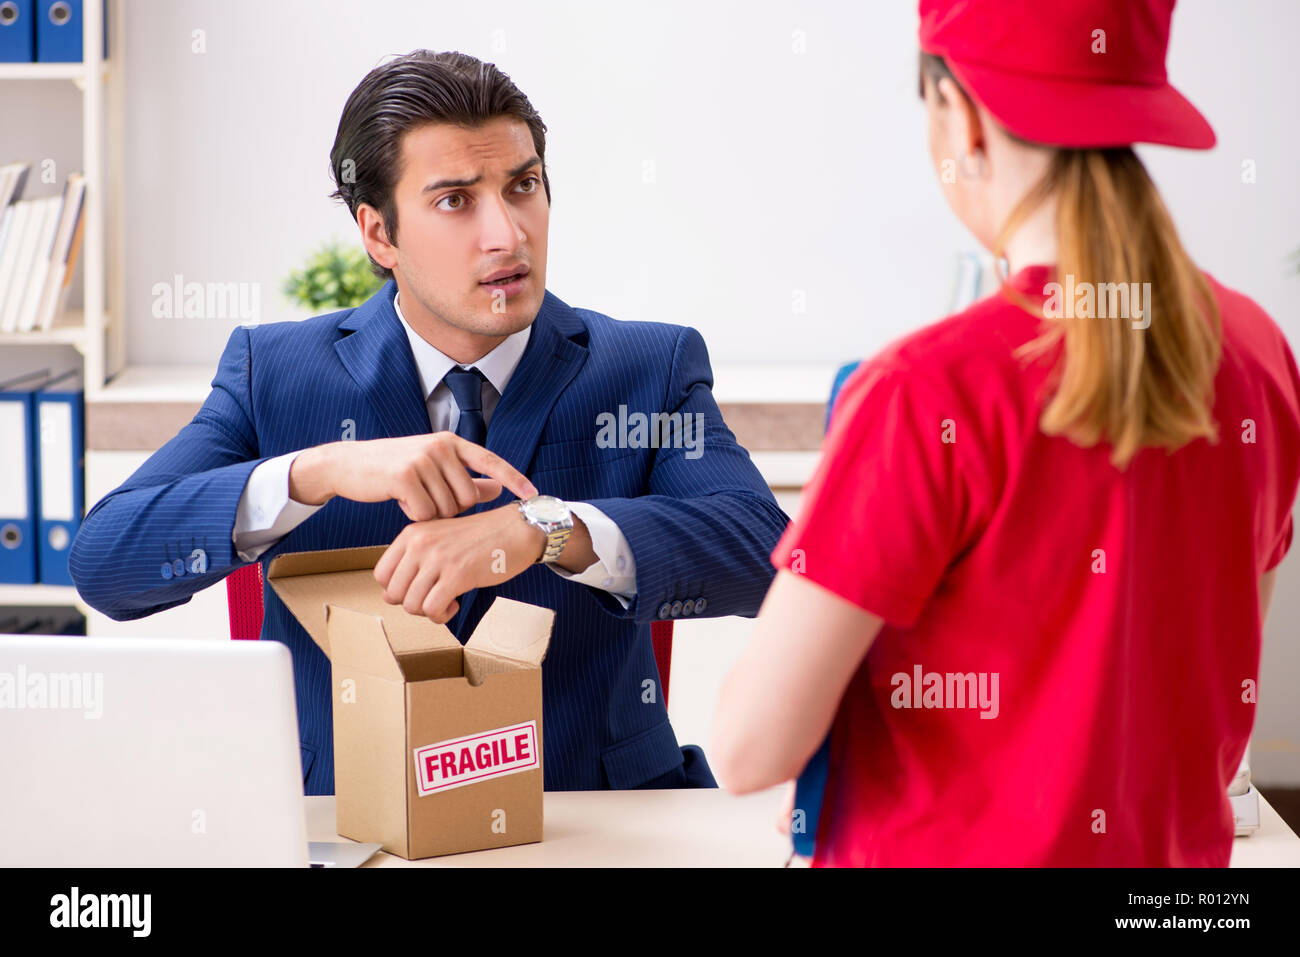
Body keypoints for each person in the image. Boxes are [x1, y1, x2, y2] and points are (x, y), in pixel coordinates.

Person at [70, 50, 789, 796]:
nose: (507, 234)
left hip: (588, 811)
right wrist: (315, 472)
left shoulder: (648, 366)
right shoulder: (274, 374)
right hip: (349, 821)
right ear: (379, 235)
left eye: (524, 186)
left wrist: (545, 527)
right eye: (455, 201)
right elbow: (104, 564)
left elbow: (769, 555)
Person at [711, 0, 1300, 866]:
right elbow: (1211, 698)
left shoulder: (925, 389)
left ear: (962, 116)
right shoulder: (1257, 350)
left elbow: (746, 748)